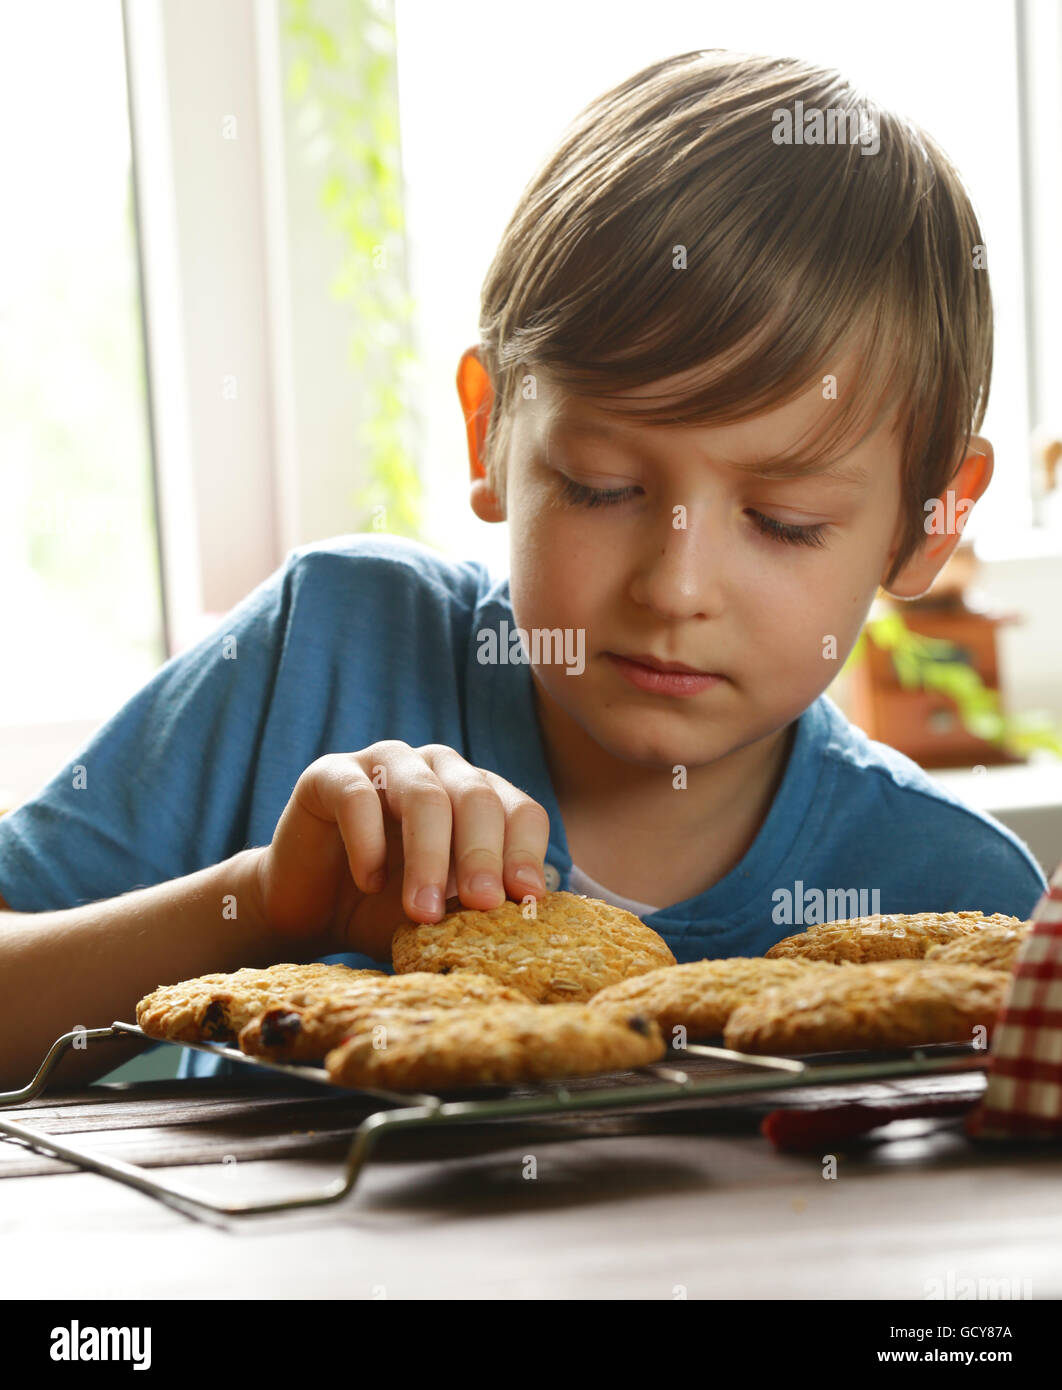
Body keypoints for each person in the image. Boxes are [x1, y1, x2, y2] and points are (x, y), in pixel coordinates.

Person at [0, 50, 1046, 1090]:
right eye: (599, 485)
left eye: (783, 521)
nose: (675, 587)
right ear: (489, 428)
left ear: (930, 518)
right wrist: (266, 900)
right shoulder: (324, 648)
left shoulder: (966, 904)